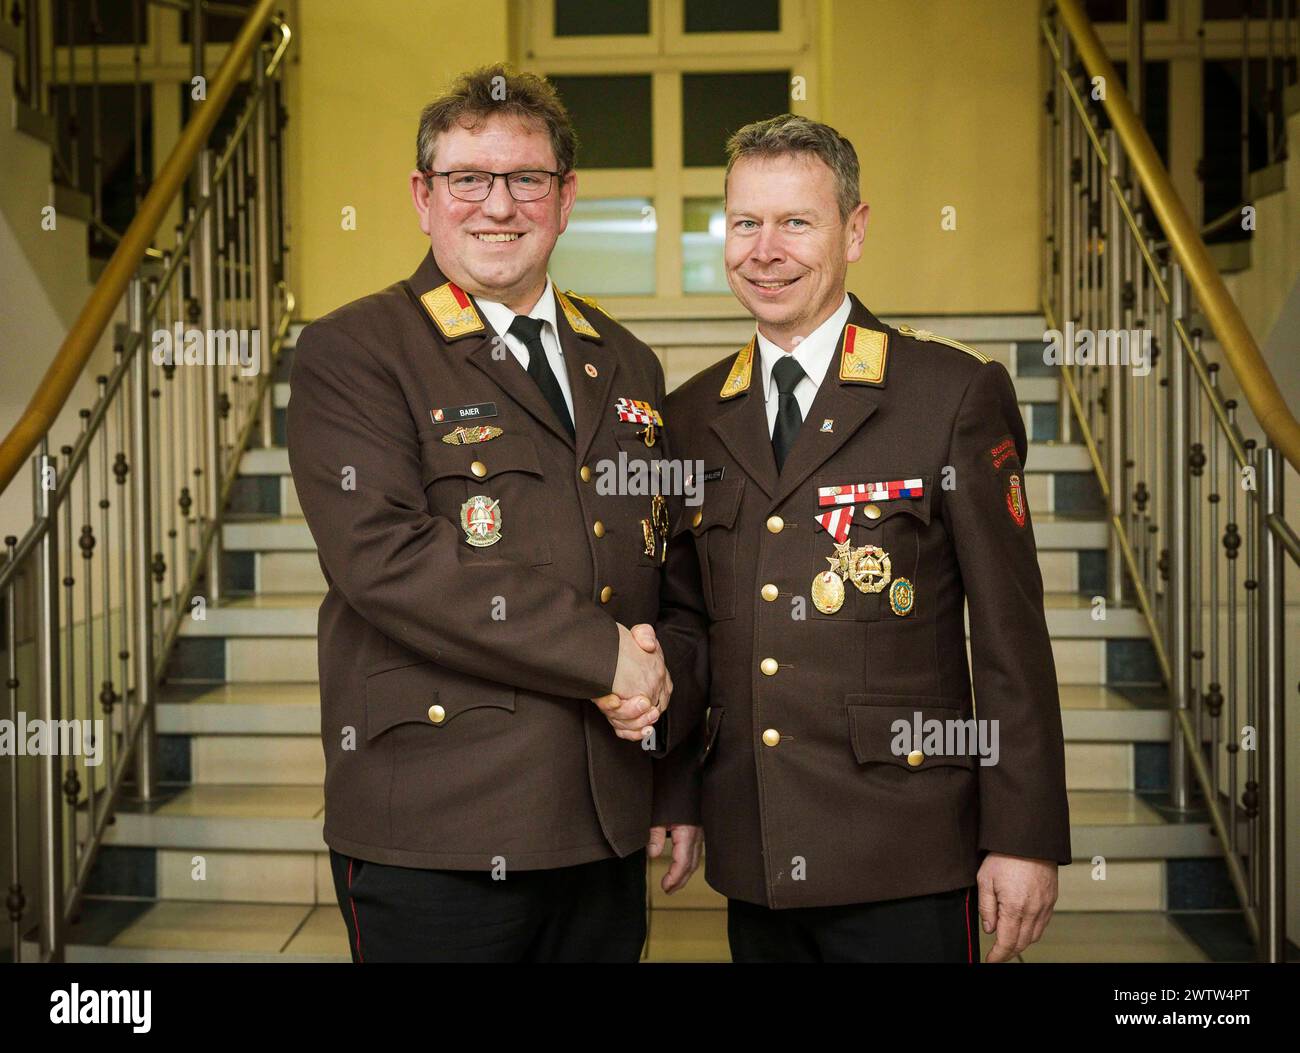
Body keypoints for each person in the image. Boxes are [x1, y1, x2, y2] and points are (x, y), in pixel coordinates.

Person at [286, 65, 705, 963]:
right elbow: (387, 558)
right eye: (468, 179)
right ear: (422, 196)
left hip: (602, 820)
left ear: (565, 199)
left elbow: (666, 572)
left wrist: (669, 758)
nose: (498, 206)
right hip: (441, 826)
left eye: (526, 180)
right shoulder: (354, 351)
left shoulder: (626, 361)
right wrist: (605, 659)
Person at [662, 114, 1071, 963]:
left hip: (905, 850)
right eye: (745, 223)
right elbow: (688, 622)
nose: (764, 249)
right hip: (758, 852)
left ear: (854, 230)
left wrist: (1024, 835)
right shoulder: (693, 415)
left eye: (795, 222)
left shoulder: (949, 393)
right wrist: (678, 793)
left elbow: (1009, 637)